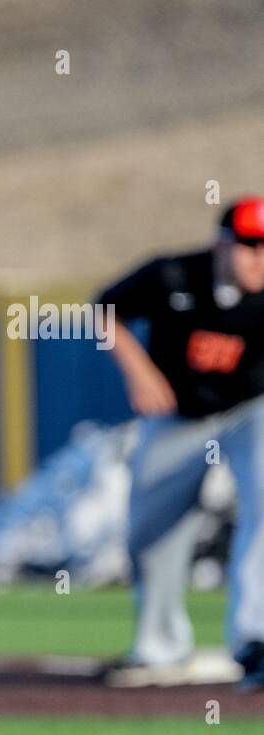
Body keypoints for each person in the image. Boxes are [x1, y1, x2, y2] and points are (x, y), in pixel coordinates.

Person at [100, 197, 264, 691]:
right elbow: (103, 311)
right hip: (177, 415)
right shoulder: (173, 276)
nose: (261, 258)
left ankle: (255, 641)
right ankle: (159, 648)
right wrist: (140, 372)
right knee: (151, 527)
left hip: (249, 411)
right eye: (252, 246)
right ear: (223, 245)